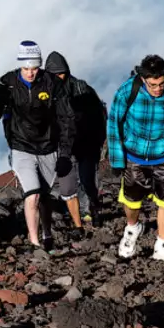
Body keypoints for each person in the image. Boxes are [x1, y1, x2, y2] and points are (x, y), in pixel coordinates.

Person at [0, 40, 76, 248]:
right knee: (32, 194)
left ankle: (46, 234)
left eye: (34, 68)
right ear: (20, 65)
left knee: (44, 196)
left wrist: (65, 154)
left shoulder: (52, 84)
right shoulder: (9, 84)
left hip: (48, 148)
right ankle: (34, 243)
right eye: (26, 68)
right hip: (21, 146)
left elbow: (67, 119)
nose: (30, 73)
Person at [107, 54, 164, 261]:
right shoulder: (128, 90)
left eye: (161, 83)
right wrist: (117, 160)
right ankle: (132, 229)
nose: (158, 89)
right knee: (132, 201)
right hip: (134, 155)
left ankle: (162, 244)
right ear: (143, 79)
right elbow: (114, 123)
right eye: (153, 85)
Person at [44, 51, 107, 226]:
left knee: (87, 179)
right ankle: (80, 214)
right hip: (65, 145)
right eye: (54, 74)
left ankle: (91, 208)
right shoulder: (44, 93)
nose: (59, 77)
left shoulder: (81, 88)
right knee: (69, 184)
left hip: (87, 142)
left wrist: (99, 140)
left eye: (61, 73)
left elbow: (97, 115)